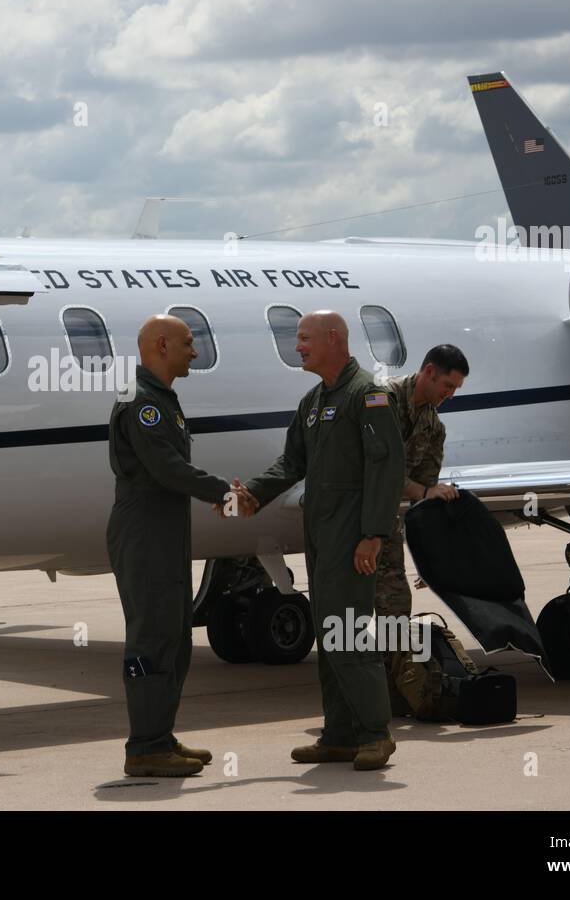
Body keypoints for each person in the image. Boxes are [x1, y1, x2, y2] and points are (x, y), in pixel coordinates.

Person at [232, 310, 405, 770]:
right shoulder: (312, 401)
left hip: (353, 539)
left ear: (333, 339)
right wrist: (252, 494)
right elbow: (291, 463)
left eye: (305, 338)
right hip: (323, 539)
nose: (298, 346)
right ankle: (340, 734)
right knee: (329, 635)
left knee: (346, 632)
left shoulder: (368, 394)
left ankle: (375, 733)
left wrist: (373, 535)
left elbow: (386, 469)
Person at [107, 314, 240, 777]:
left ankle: (159, 737)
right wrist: (225, 492)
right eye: (188, 343)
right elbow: (167, 468)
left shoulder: (160, 398)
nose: (195, 351)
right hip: (146, 531)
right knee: (152, 637)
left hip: (163, 528)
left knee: (175, 636)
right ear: (161, 345)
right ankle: (144, 746)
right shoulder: (144, 402)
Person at [376, 345, 467, 678]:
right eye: (448, 385)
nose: (450, 394)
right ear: (429, 372)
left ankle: (394, 682)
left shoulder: (432, 426)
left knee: (395, 602)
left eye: (456, 389)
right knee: (346, 609)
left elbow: (425, 503)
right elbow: (378, 469)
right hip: (347, 518)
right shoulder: (381, 400)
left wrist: (431, 561)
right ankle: (350, 682)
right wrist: (425, 491)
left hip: (381, 524)